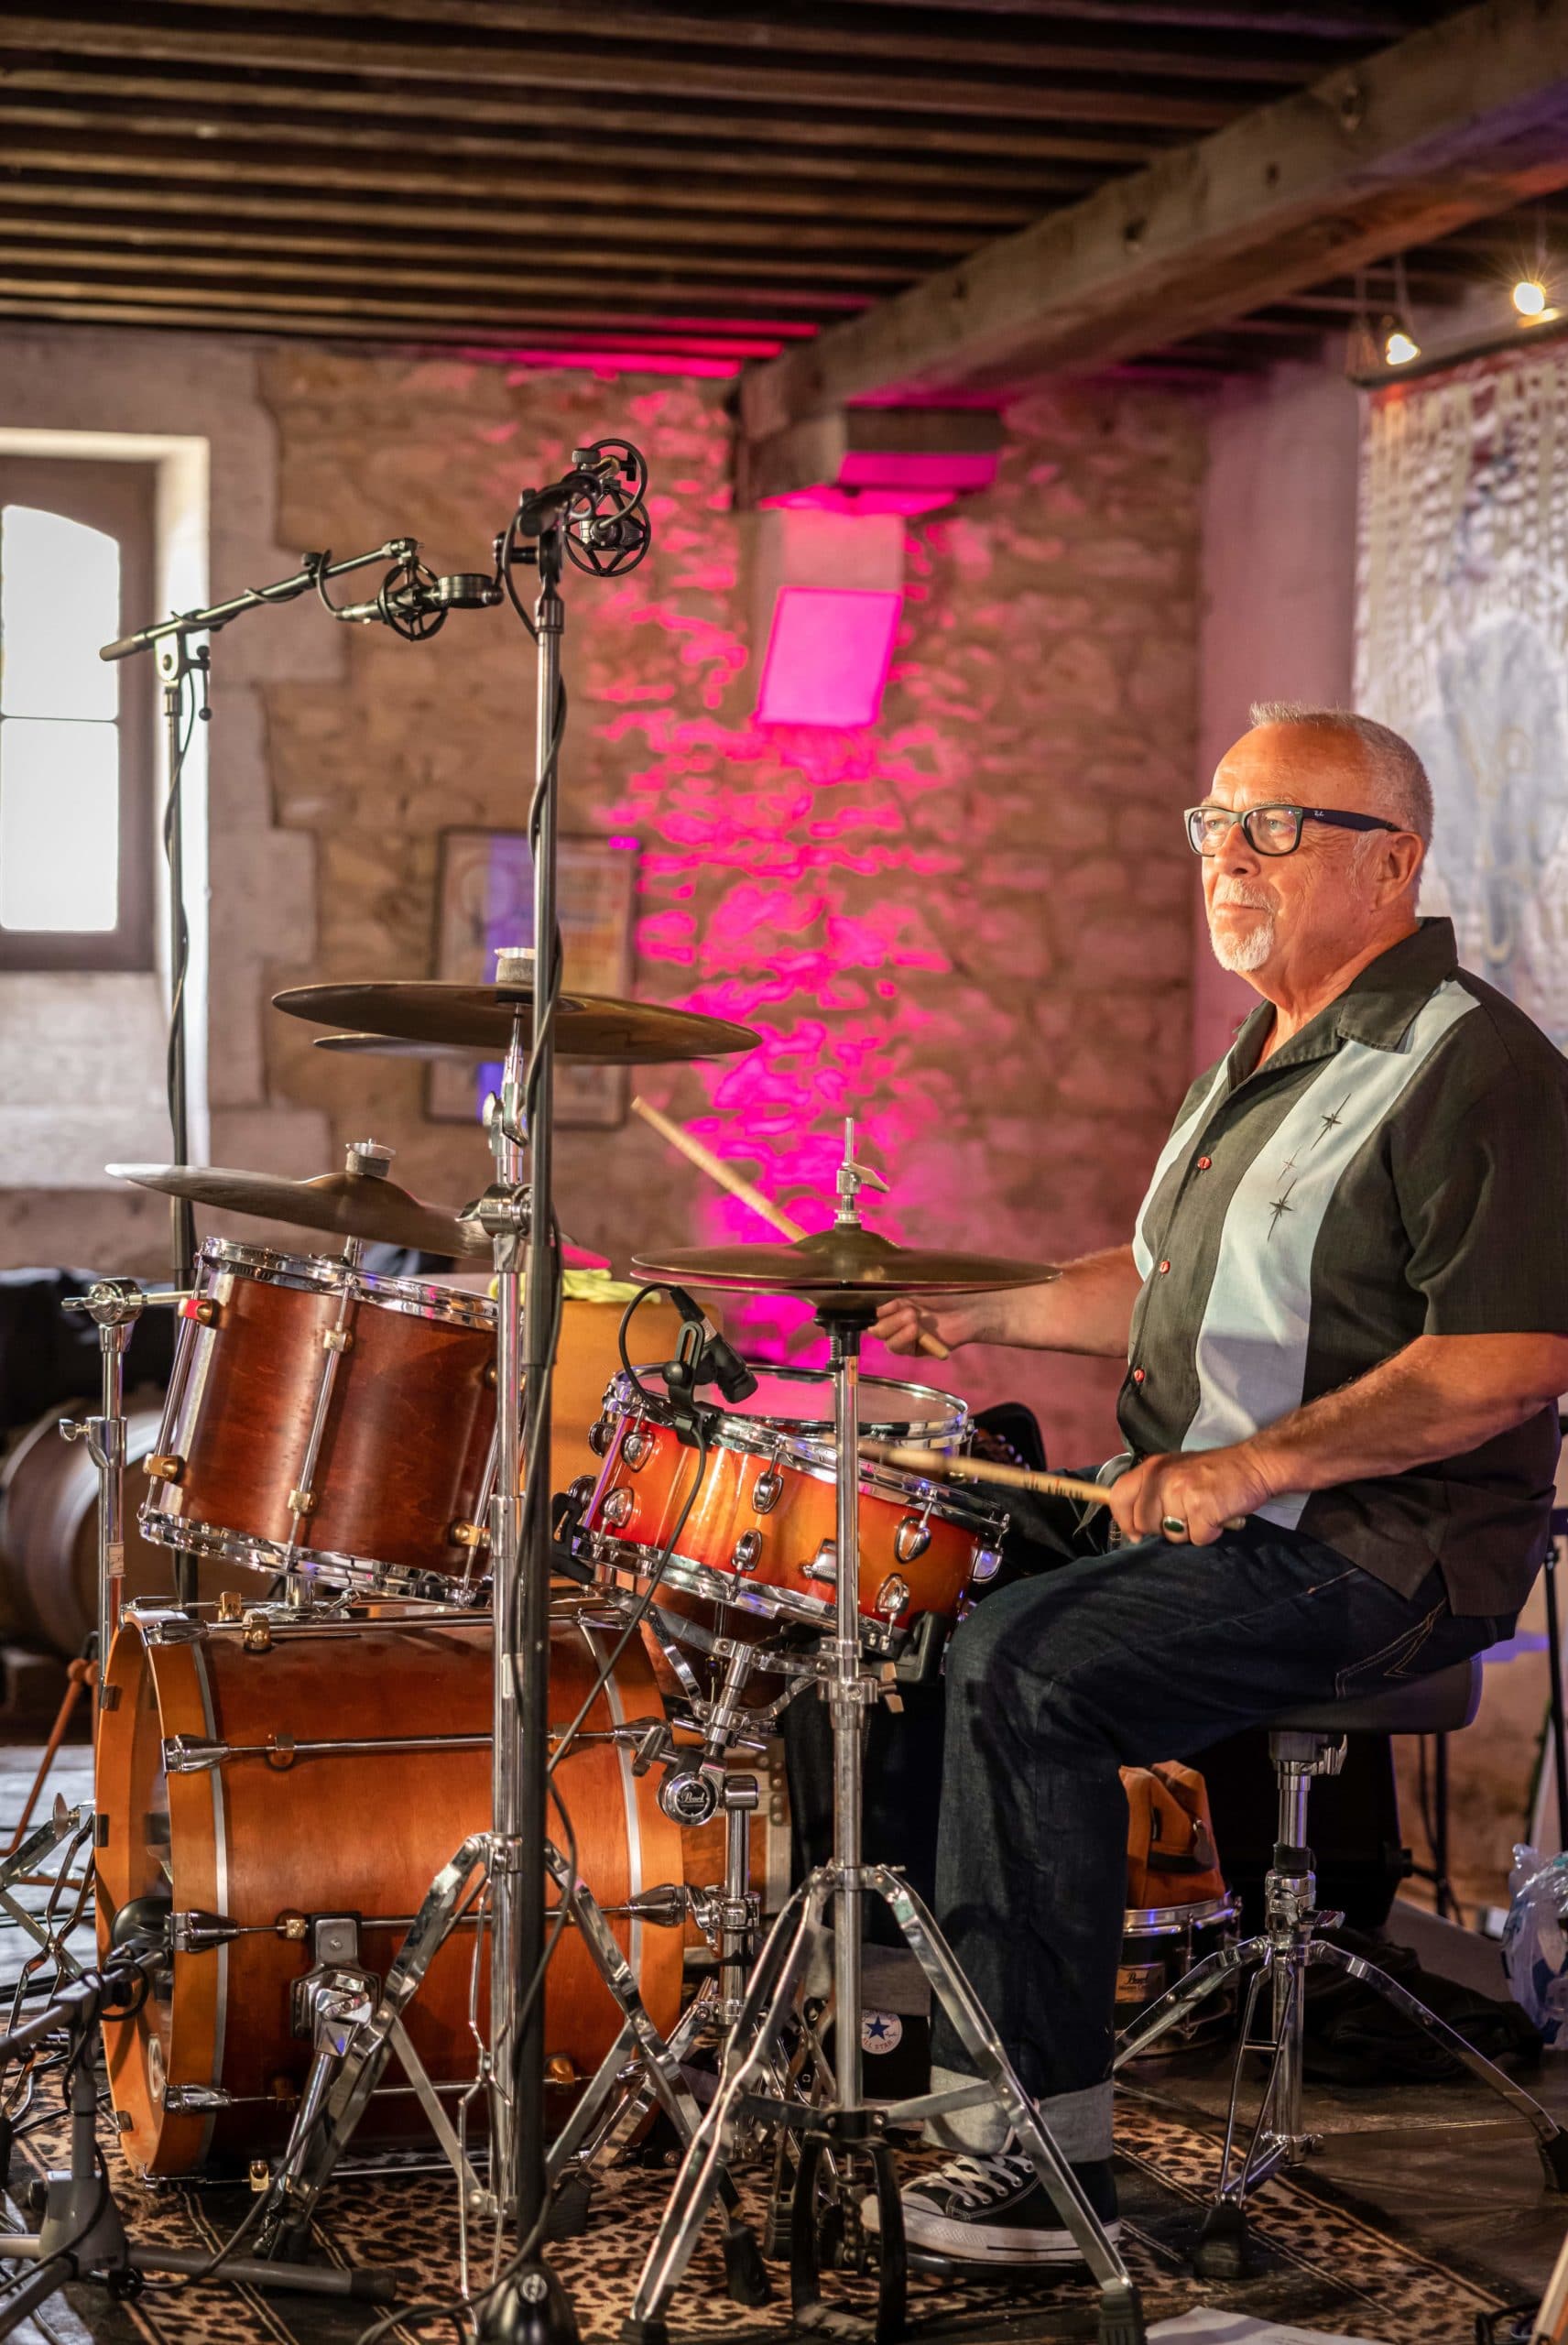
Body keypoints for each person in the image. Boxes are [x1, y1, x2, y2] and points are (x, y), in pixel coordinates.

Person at [868, 704, 1568, 2265]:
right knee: (926, 1606)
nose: (1225, 857)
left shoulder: (1473, 1067)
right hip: (1245, 1522)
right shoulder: (1268, 1045)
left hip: (1382, 1556)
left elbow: (1509, 1361)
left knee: (1026, 1669)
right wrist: (986, 1309)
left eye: (1274, 826)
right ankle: (981, 2071)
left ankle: (1046, 2172)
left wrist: (1244, 1466)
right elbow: (1176, 1283)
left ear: (1390, 863)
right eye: (1215, 821)